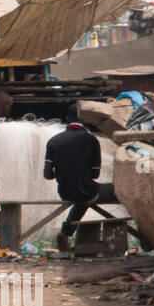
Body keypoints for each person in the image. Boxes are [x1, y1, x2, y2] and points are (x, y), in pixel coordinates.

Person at [44, 105, 115, 254]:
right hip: (87, 191)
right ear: (84, 119)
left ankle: (65, 233)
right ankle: (145, 241)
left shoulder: (53, 141)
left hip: (65, 191)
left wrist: (64, 171)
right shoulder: (91, 140)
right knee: (119, 190)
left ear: (68, 119)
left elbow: (47, 174)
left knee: (82, 195)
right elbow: (95, 175)